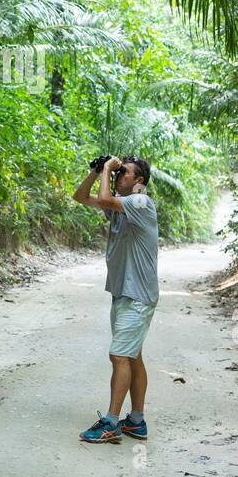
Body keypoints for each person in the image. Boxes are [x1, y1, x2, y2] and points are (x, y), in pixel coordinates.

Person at [71, 155, 158, 443]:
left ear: (139, 181)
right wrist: (98, 172)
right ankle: (136, 421)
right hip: (124, 293)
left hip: (138, 296)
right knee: (132, 356)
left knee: (119, 355)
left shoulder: (140, 202)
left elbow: (105, 199)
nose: (119, 176)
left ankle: (110, 422)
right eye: (118, 173)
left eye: (124, 173)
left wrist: (108, 169)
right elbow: (81, 196)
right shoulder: (123, 209)